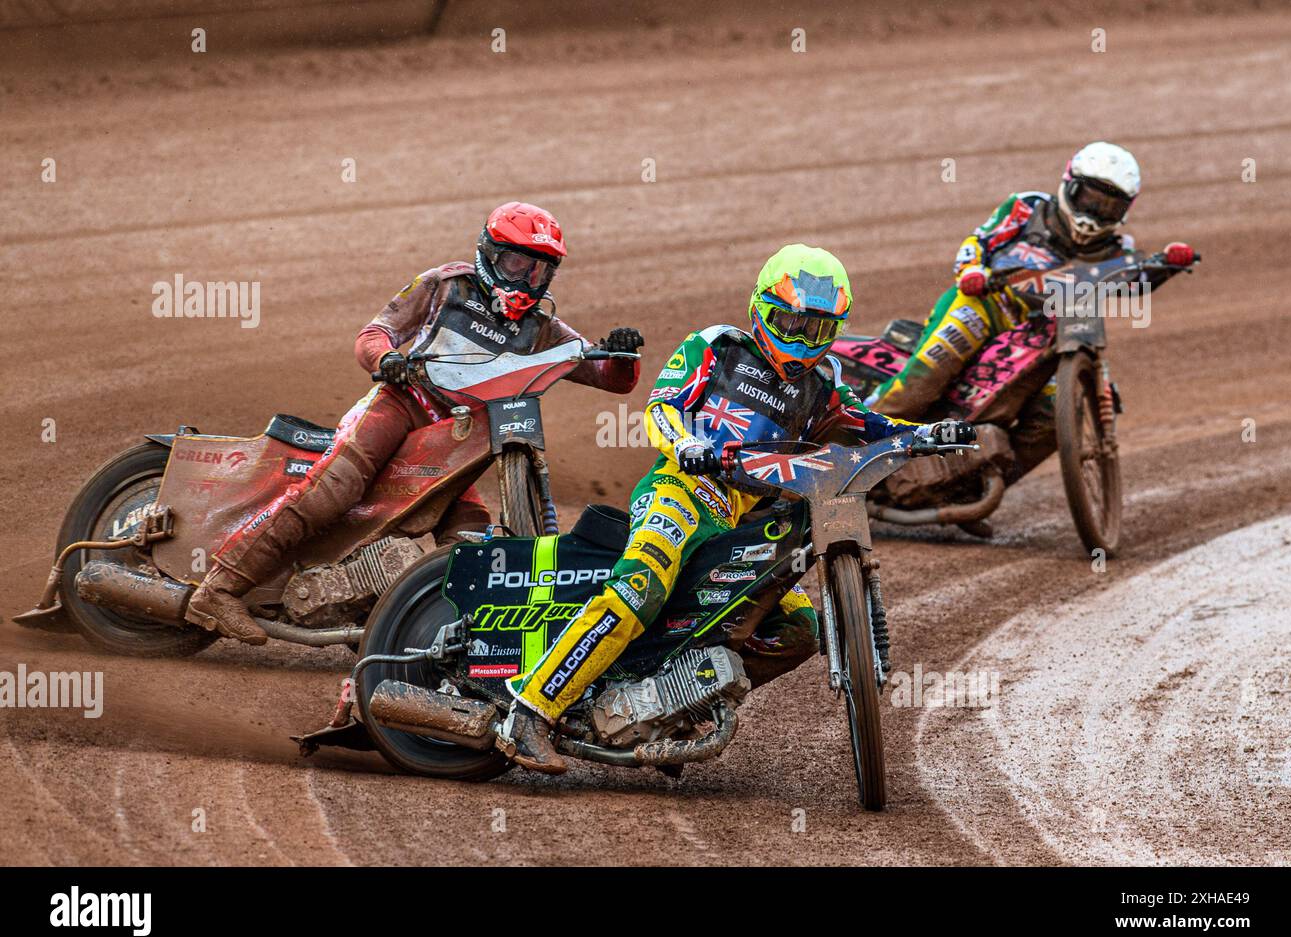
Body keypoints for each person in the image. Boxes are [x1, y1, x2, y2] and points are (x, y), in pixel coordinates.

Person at [499, 243, 974, 773]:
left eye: (816, 330)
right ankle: (529, 711)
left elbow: (872, 425)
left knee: (797, 629)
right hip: (680, 491)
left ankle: (668, 708)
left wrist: (927, 434)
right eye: (790, 322)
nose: (800, 341)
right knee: (641, 586)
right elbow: (663, 405)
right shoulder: (718, 346)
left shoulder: (825, 384)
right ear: (760, 308)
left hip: (743, 523)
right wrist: (684, 444)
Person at [185, 202, 643, 645]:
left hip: (454, 442)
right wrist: (388, 359)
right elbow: (373, 334)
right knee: (334, 491)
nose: (528, 278)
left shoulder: (543, 328)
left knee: (469, 534)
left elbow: (608, 376)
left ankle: (450, 644)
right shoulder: (446, 285)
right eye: (518, 262)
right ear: (489, 252)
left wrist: (623, 354)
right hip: (401, 405)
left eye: (540, 269)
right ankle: (218, 591)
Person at [869, 142, 1194, 483]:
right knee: (925, 379)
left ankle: (969, 484)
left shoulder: (1116, 250)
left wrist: (1167, 264)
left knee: (1058, 413)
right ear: (1070, 185)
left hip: (1050, 335)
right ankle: (856, 450)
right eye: (1088, 199)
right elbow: (979, 241)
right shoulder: (1027, 207)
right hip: (988, 306)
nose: (1093, 214)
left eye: (1107, 207)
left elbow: (1131, 284)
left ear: (1124, 211)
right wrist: (971, 271)